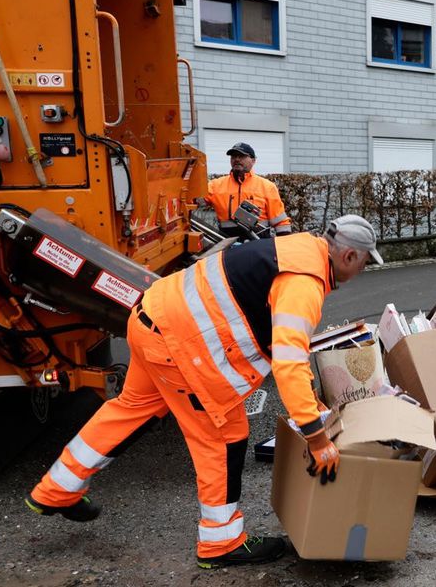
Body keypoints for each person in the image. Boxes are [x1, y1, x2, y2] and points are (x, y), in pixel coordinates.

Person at [25, 215, 384, 569]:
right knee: (224, 435)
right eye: (365, 262)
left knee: (131, 409)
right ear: (349, 256)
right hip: (180, 347)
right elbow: (288, 361)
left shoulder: (298, 248)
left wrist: (312, 402)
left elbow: (287, 349)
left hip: (152, 319)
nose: (362, 271)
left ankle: (55, 490)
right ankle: (222, 542)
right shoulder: (305, 282)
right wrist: (317, 438)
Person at [206, 143, 292, 235]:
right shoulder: (215, 186)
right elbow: (192, 200)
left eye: (242, 156)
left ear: (253, 160)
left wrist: (284, 246)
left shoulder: (267, 187)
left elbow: (281, 223)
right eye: (234, 156)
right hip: (228, 244)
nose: (237, 159)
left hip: (259, 244)